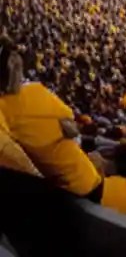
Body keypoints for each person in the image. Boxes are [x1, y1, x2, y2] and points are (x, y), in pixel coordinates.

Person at [0, 36, 103, 202]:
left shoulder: (4, 109)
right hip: (89, 178)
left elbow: (8, 152)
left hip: (69, 194)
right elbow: (70, 122)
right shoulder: (36, 89)